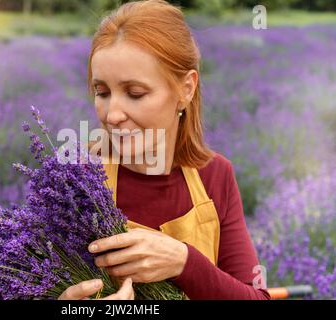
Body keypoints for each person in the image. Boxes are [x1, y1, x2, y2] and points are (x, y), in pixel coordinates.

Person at [59, 0, 270, 300]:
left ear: (186, 89)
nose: (112, 114)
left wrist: (183, 262)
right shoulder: (76, 180)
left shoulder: (215, 176)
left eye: (135, 93)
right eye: (102, 92)